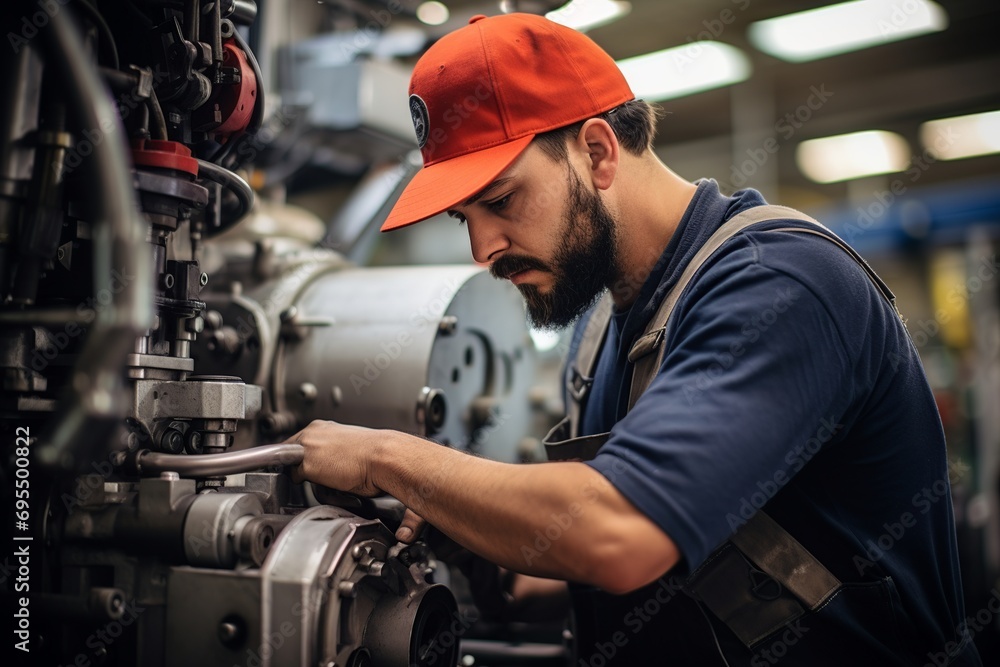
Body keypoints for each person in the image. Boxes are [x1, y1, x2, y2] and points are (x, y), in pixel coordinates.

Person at [288, 12, 982, 666]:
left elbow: (621, 535)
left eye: (499, 200)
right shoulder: (600, 328)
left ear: (596, 152)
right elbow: (674, 570)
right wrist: (487, 548)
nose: (481, 248)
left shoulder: (780, 286)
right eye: (464, 215)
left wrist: (385, 456)